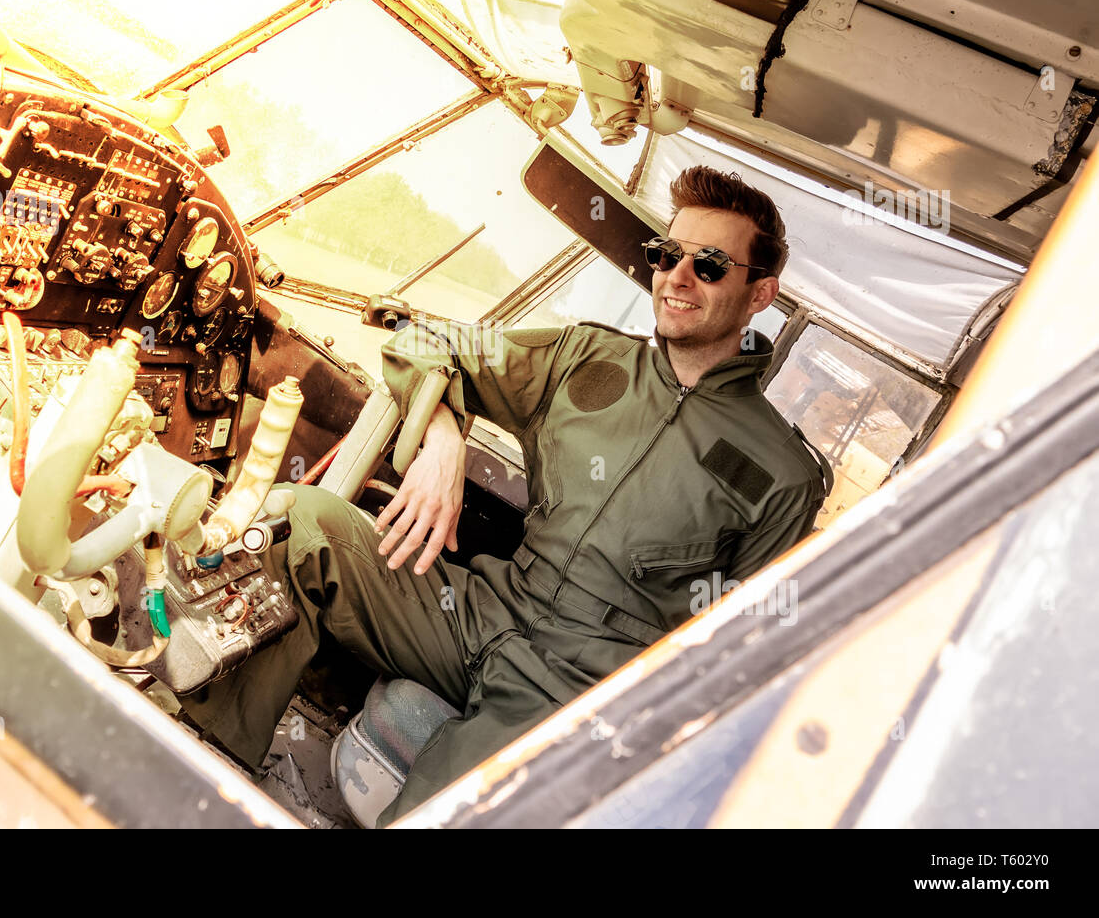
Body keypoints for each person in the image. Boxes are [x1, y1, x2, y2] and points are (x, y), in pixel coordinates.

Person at [181, 165, 831, 826]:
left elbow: (747, 656)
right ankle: (199, 767)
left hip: (582, 688)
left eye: (711, 265)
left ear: (759, 293)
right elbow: (426, 343)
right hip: (483, 610)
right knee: (305, 525)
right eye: (666, 254)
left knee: (448, 812)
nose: (677, 276)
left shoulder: (783, 473)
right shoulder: (584, 357)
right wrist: (441, 438)